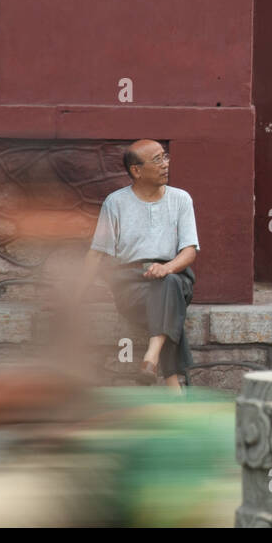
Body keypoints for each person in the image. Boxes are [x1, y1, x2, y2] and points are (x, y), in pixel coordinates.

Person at [74, 139, 199, 391]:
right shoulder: (115, 202)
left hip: (174, 273)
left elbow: (189, 251)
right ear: (136, 171)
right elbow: (97, 254)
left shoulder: (181, 199)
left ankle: (152, 357)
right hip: (131, 284)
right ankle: (172, 384)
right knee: (168, 298)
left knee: (170, 283)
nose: (165, 165)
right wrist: (75, 296)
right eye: (157, 160)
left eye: (165, 157)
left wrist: (167, 267)